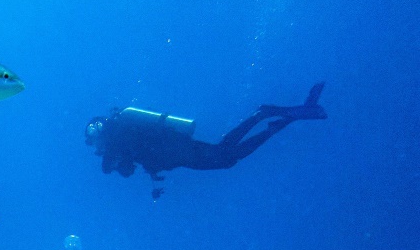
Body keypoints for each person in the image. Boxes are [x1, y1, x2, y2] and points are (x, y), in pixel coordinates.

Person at [84, 83, 327, 186]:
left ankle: (265, 118)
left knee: (227, 158)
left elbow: (126, 167)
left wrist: (111, 163)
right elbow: (132, 161)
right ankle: (269, 120)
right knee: (226, 153)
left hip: (177, 151)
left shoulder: (118, 140)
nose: (97, 149)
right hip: (176, 150)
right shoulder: (121, 137)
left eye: (95, 143)